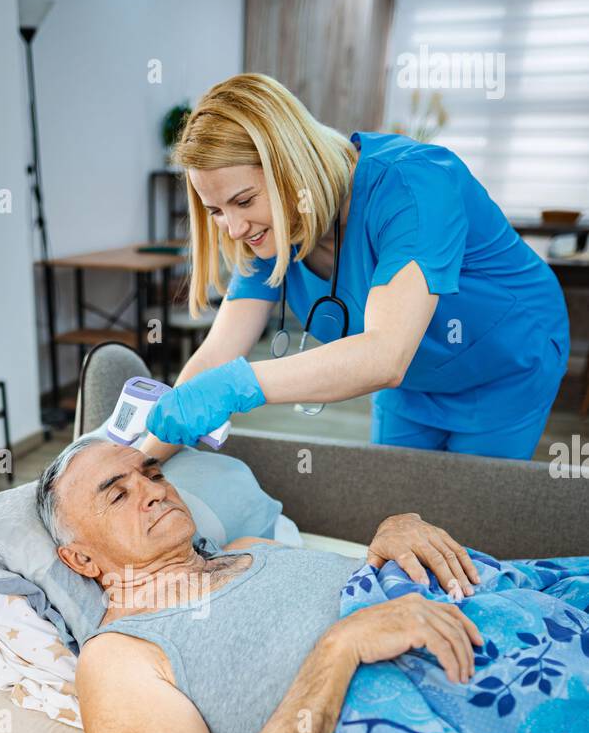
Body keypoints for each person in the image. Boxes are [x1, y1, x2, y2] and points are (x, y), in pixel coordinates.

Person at [36, 437, 482, 733]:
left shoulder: (251, 548)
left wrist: (393, 534)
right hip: (467, 729)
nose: (154, 492)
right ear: (81, 559)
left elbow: (374, 592)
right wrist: (337, 649)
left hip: (500, 621)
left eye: (152, 475)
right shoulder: (119, 656)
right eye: (117, 494)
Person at [139, 73, 569, 461]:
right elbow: (217, 353)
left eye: (244, 201)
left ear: (293, 168)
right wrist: (141, 460)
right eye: (216, 210)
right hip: (412, 381)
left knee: (463, 526)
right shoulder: (264, 232)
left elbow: (383, 355)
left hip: (503, 362)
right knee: (397, 510)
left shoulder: (414, 184)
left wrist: (237, 386)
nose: (232, 228)